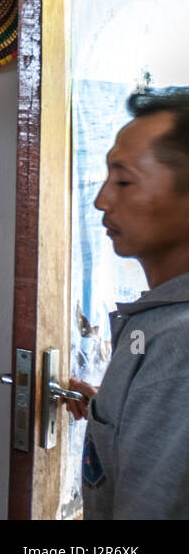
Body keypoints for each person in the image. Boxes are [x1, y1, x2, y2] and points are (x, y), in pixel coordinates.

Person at [64, 87, 189, 518]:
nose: (102, 201)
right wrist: (116, 411)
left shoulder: (178, 345)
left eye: (124, 181)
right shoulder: (161, 329)